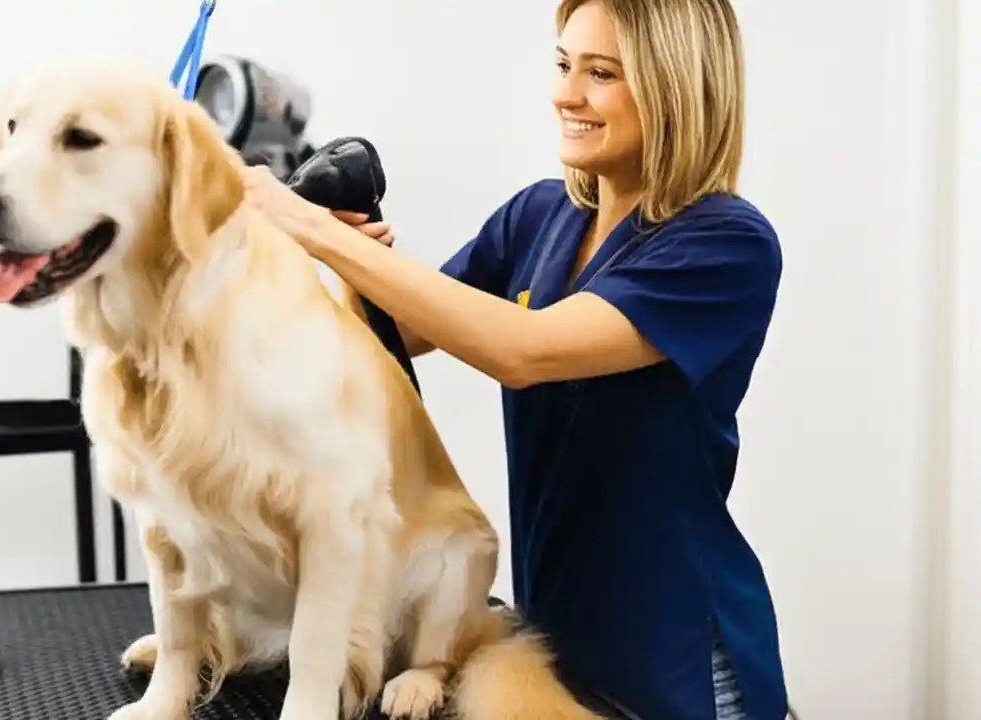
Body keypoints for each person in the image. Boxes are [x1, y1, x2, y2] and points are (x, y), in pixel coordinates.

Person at [239, 0, 789, 718]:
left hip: (678, 655)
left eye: (602, 74)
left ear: (676, 88)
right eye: (564, 65)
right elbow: (392, 340)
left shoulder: (723, 244)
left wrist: (309, 227)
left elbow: (521, 350)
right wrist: (353, 259)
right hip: (555, 633)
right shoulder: (540, 214)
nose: (566, 94)